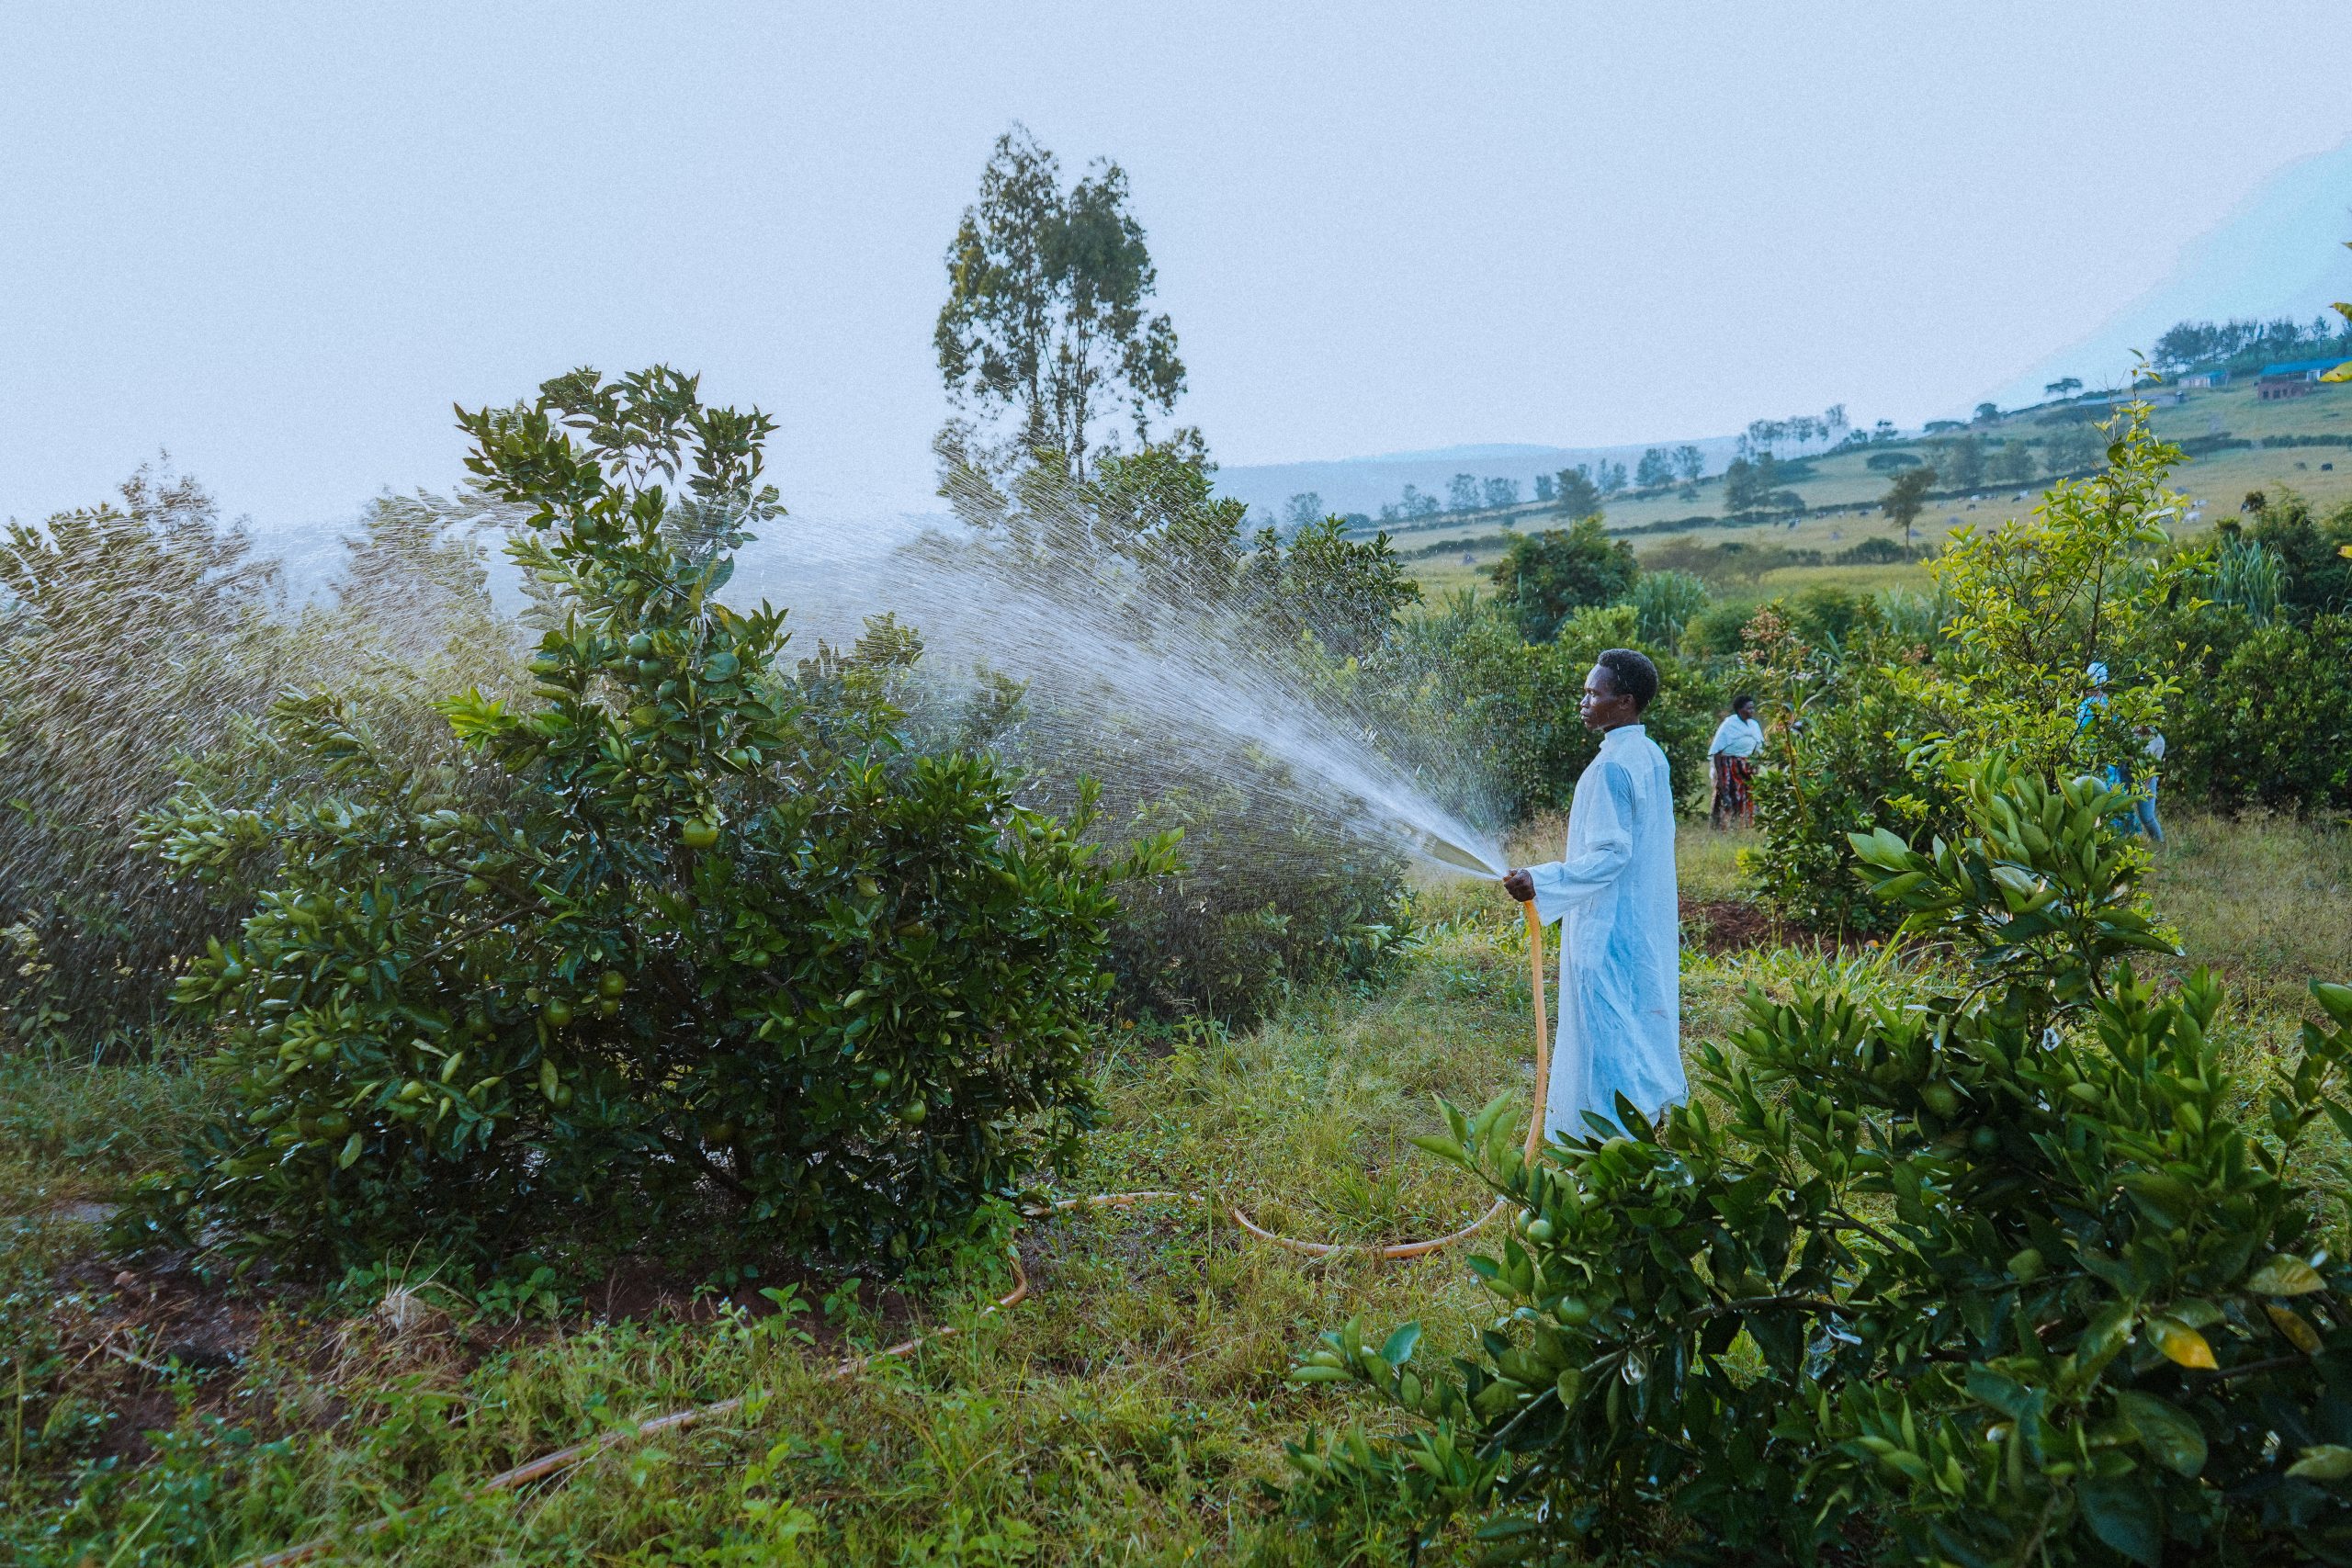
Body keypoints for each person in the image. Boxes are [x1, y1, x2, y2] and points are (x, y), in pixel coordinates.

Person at [1500, 649, 1684, 1144]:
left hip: (1608, 929)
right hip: (1638, 923)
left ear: (1624, 701)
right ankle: (1645, 1129)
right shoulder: (1647, 754)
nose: (1584, 702)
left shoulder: (1611, 769)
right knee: (1636, 1026)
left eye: (1593, 693)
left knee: (1608, 1037)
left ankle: (1610, 1148)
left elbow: (1611, 853)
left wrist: (1541, 881)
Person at [1706, 694, 1763, 829]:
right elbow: (1717, 751)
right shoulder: (1729, 725)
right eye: (1748, 708)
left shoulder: (1754, 725)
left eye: (1753, 708)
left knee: (1747, 795)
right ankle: (1724, 827)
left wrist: (1756, 766)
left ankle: (1744, 825)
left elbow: (1759, 748)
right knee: (1729, 795)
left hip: (1747, 766)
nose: (1752, 711)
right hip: (1729, 767)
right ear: (1739, 710)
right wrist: (1719, 777)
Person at [2132, 724, 2166, 843]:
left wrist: (2145, 784)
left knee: (2147, 817)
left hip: (2147, 778)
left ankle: (2160, 842)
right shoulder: (2130, 732)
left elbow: (2153, 766)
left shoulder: (2159, 740)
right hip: (2128, 775)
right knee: (2124, 811)